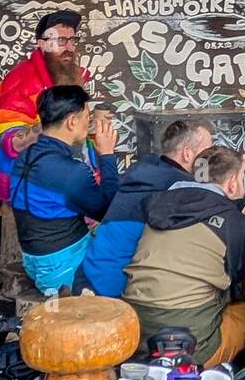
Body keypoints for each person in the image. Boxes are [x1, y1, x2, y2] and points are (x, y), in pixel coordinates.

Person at [120, 145, 245, 366]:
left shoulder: (159, 205)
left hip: (137, 334)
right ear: (233, 183)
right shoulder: (235, 225)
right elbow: (243, 286)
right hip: (191, 347)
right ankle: (232, 375)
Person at [77, 119, 214, 297]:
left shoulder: (143, 169)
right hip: (113, 294)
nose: (211, 158)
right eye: (207, 152)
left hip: (85, 277)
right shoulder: (181, 188)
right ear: (187, 154)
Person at [8, 85, 119, 295]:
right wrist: (107, 155)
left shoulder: (28, 154)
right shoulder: (70, 171)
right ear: (71, 121)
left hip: (35, 259)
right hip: (62, 267)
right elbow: (108, 210)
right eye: (87, 116)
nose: (90, 122)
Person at [0, 11, 89, 203]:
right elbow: (12, 141)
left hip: (59, 177)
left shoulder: (70, 76)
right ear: (41, 44)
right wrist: (55, 126)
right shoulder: (21, 80)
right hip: (24, 183)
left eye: (71, 40)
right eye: (60, 40)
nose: (68, 47)